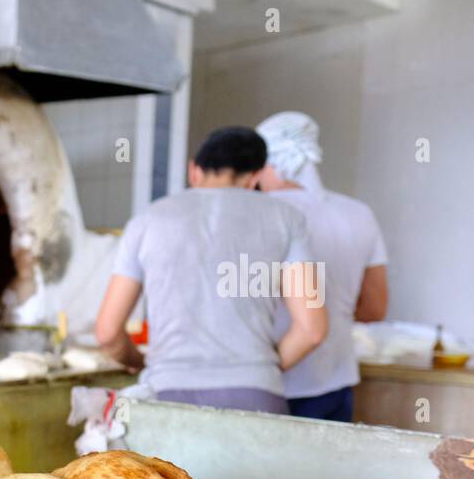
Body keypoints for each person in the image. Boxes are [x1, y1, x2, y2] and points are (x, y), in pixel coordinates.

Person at [94, 126, 327, 415]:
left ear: (194, 170)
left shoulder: (147, 219)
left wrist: (146, 362)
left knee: (161, 464)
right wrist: (257, 369)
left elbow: (107, 332)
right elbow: (313, 330)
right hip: (257, 395)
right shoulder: (289, 219)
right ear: (255, 177)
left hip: (166, 392)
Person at [256, 111, 389, 422]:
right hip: (335, 384)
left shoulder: (259, 215)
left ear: (267, 162)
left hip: (271, 387)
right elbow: (374, 308)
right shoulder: (358, 213)